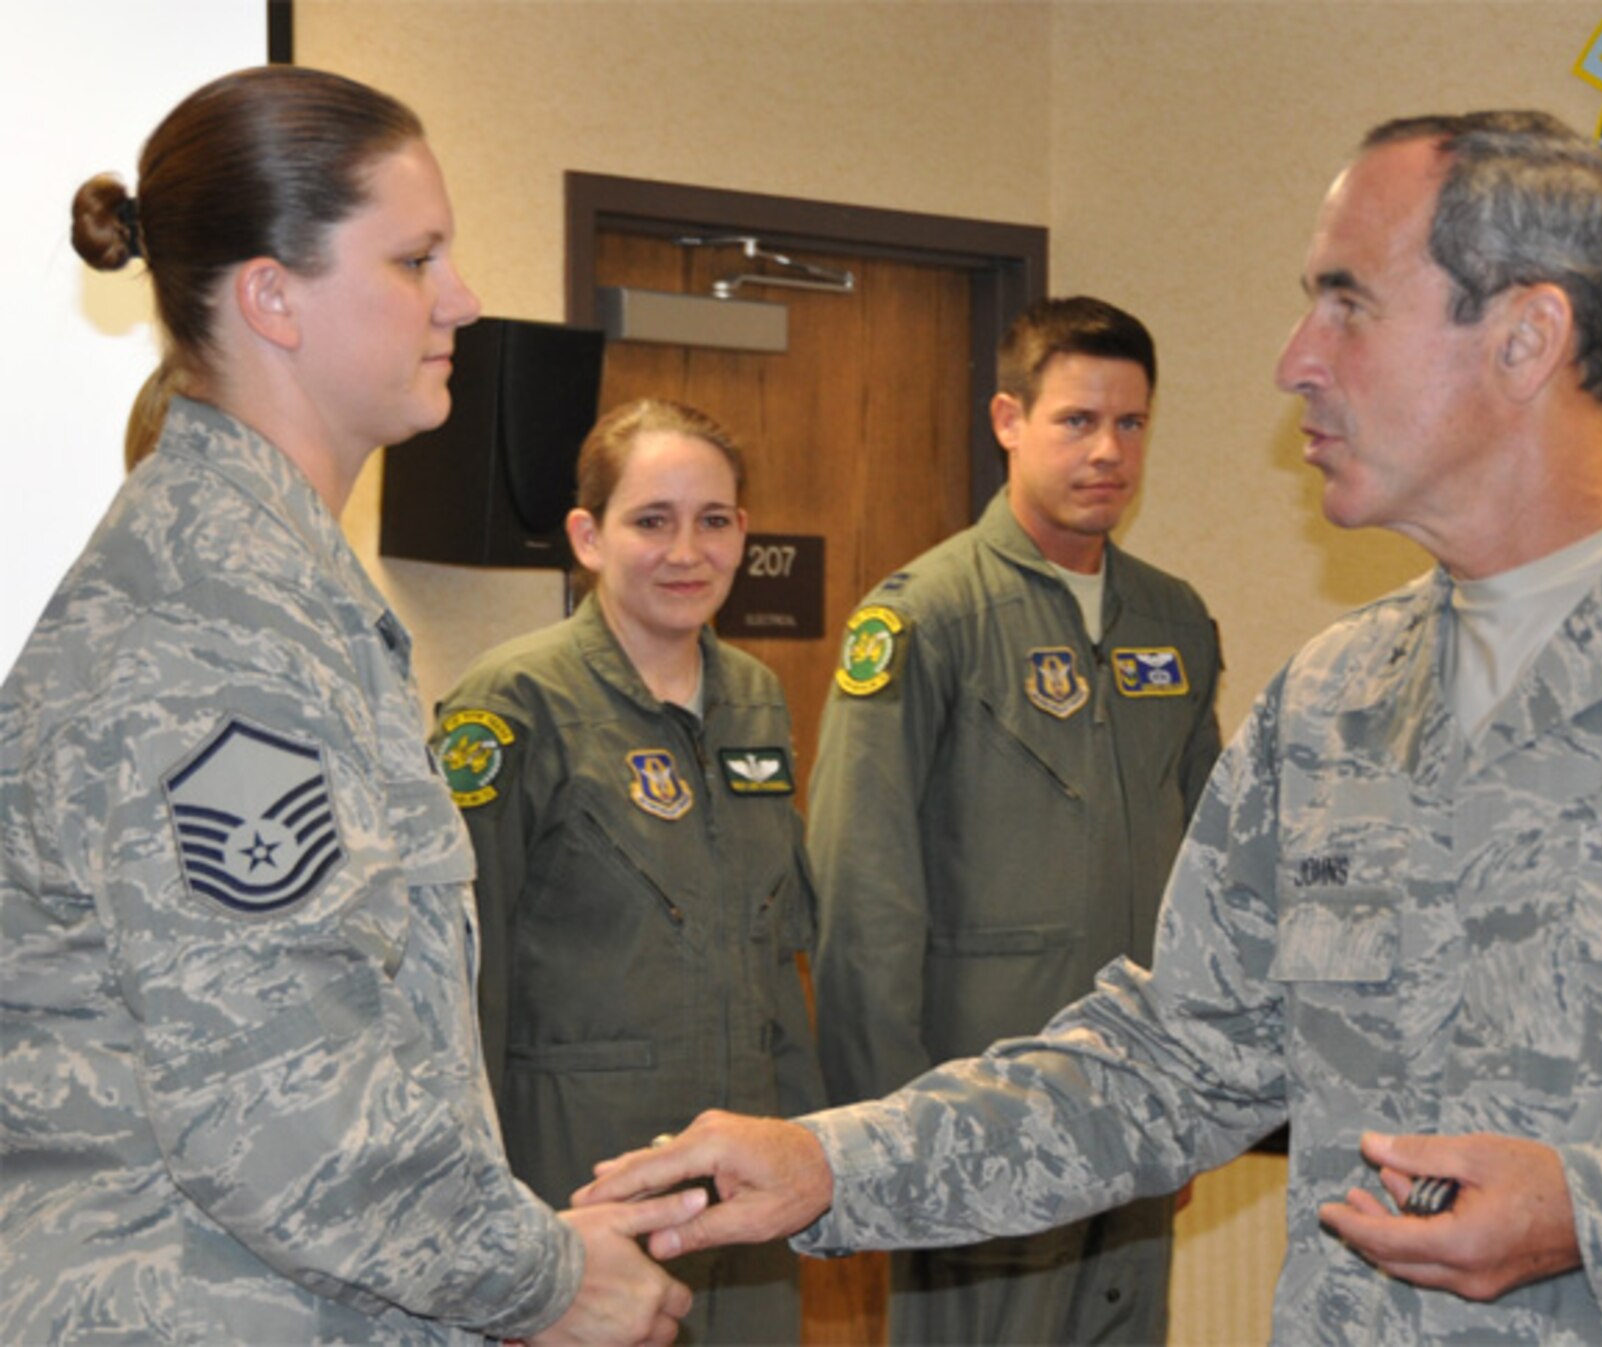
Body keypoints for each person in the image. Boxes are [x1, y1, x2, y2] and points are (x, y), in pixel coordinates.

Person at [578, 111, 1602, 1343]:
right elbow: (1173, 1058)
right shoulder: (1336, 700)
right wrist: (835, 1161)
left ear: (1526, 334)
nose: (1291, 360)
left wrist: (1599, 1211)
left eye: (1347, 303)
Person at [0, 67, 687, 1345]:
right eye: (415, 259)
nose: (462, 302)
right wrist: (544, 1279)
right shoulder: (212, 630)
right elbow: (282, 1107)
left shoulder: (278, 588)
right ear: (272, 296)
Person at [807, 295, 1223, 1343]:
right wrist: (877, 1135)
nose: (1106, 452)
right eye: (1075, 421)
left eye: (1129, 425)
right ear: (1007, 420)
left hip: (1135, 1101)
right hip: (978, 1105)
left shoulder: (1172, 619)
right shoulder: (923, 615)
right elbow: (861, 897)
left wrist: (1201, 1095)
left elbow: (1214, 880)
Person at [433, 398, 824, 1344]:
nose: (687, 550)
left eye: (715, 520)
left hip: (743, 1183)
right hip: (580, 1175)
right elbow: (456, 976)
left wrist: (814, 1142)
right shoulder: (514, 701)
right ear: (588, 536)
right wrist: (487, 1220)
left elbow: (779, 953)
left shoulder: (754, 698)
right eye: (652, 520)